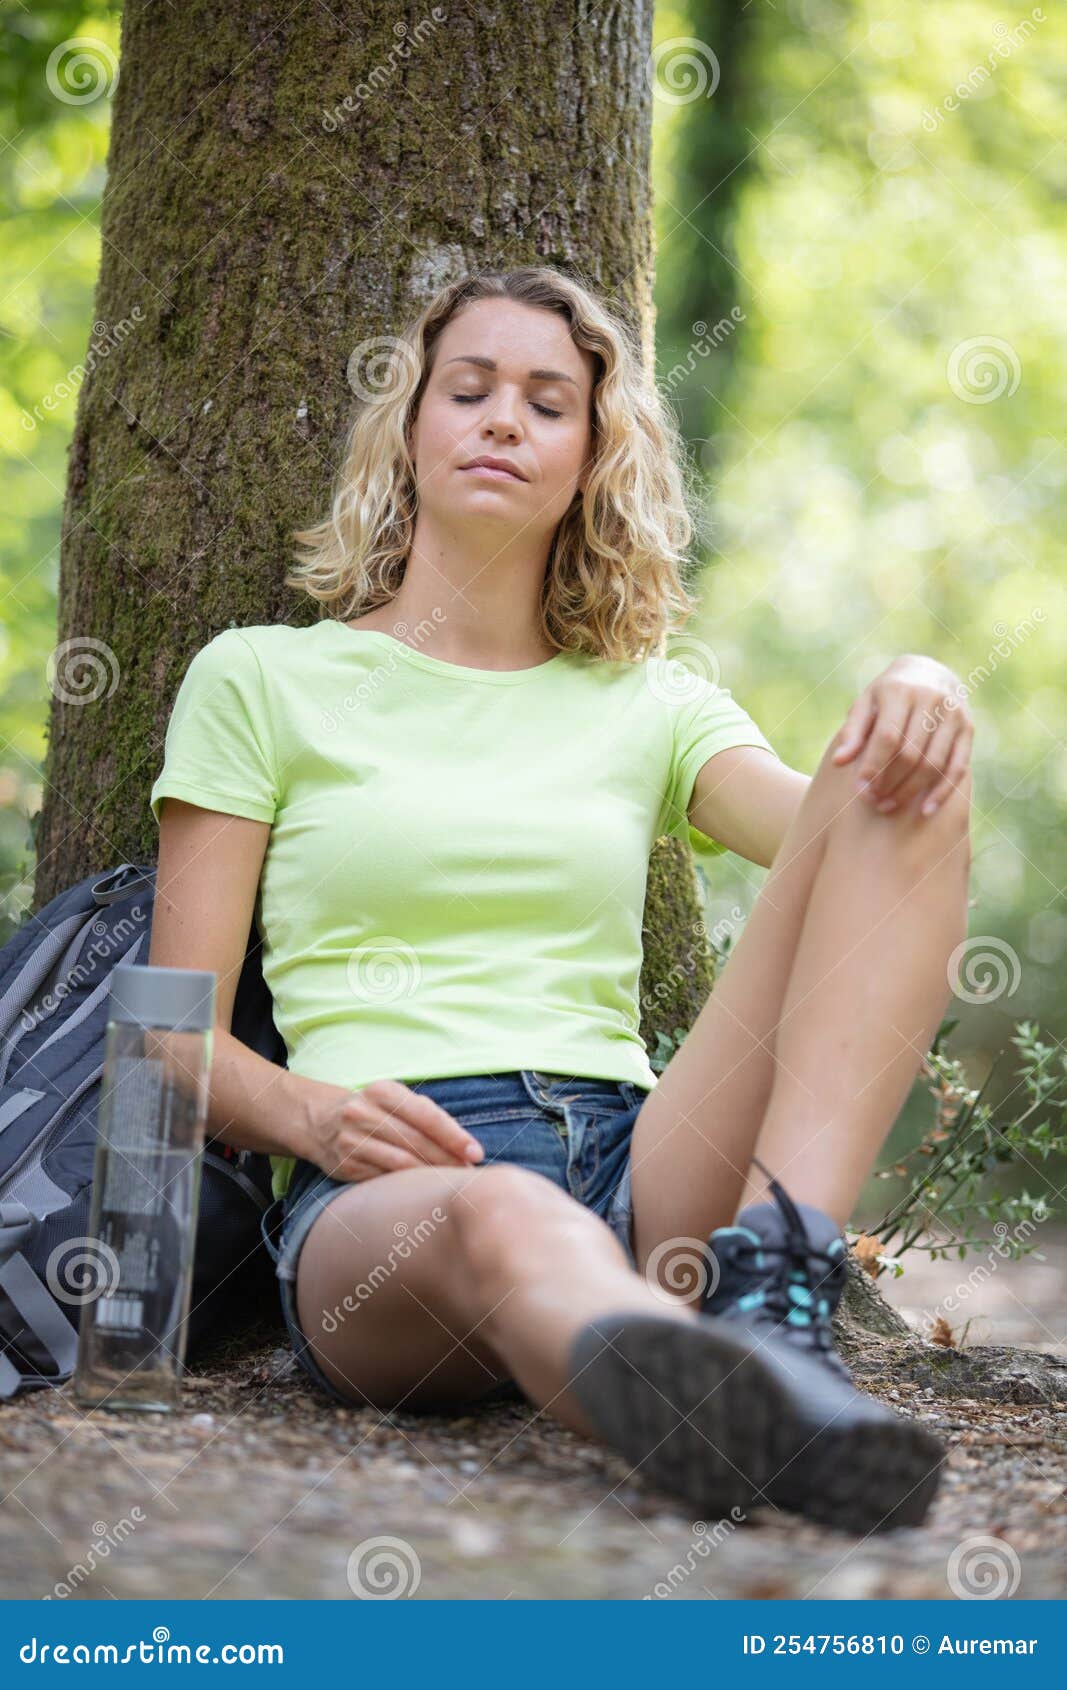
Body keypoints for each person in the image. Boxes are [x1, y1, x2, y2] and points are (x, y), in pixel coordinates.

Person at [149, 265, 973, 1534]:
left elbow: (853, 823)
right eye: (466, 390)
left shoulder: (646, 698)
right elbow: (171, 1035)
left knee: (909, 787)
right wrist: (310, 1116)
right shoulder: (263, 679)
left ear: (590, 457)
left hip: (645, 1165)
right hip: (398, 1197)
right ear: (408, 430)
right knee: (504, 1209)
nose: (499, 420)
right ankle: (712, 1410)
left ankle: (775, 1290)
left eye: (545, 403)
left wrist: (921, 682)